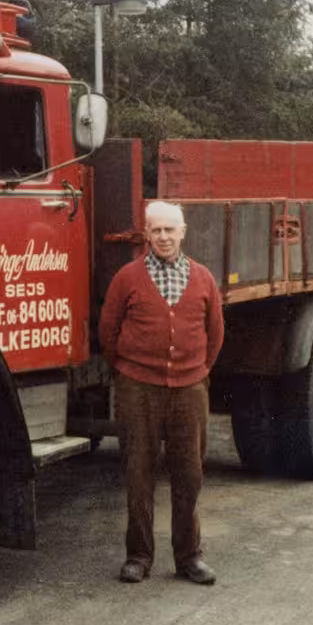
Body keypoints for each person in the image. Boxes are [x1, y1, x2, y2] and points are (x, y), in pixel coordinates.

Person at [98, 200, 225, 585]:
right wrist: (127, 371)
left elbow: (215, 333)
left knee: (189, 474)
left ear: (183, 232)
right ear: (147, 234)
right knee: (138, 471)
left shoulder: (203, 278)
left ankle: (190, 557)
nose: (164, 237)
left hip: (189, 389)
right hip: (139, 390)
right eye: (156, 230)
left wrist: (198, 371)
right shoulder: (127, 277)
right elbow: (108, 331)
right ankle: (138, 556)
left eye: (171, 230)